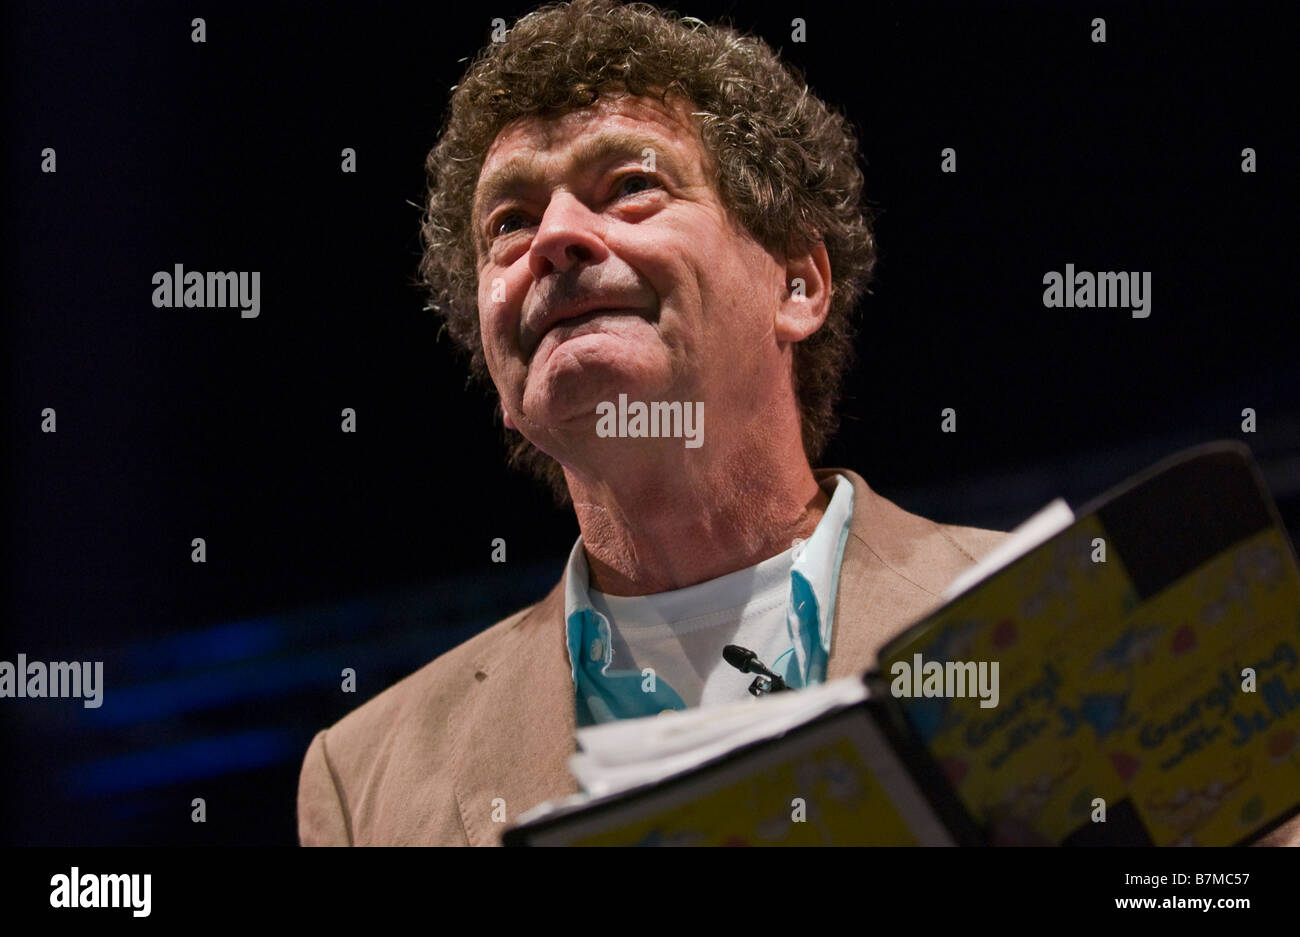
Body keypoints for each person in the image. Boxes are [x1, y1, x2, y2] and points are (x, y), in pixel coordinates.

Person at [296, 0, 1297, 847]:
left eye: (630, 186)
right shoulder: (364, 778)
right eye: (506, 223)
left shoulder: (1084, 630)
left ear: (798, 282)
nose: (554, 237)